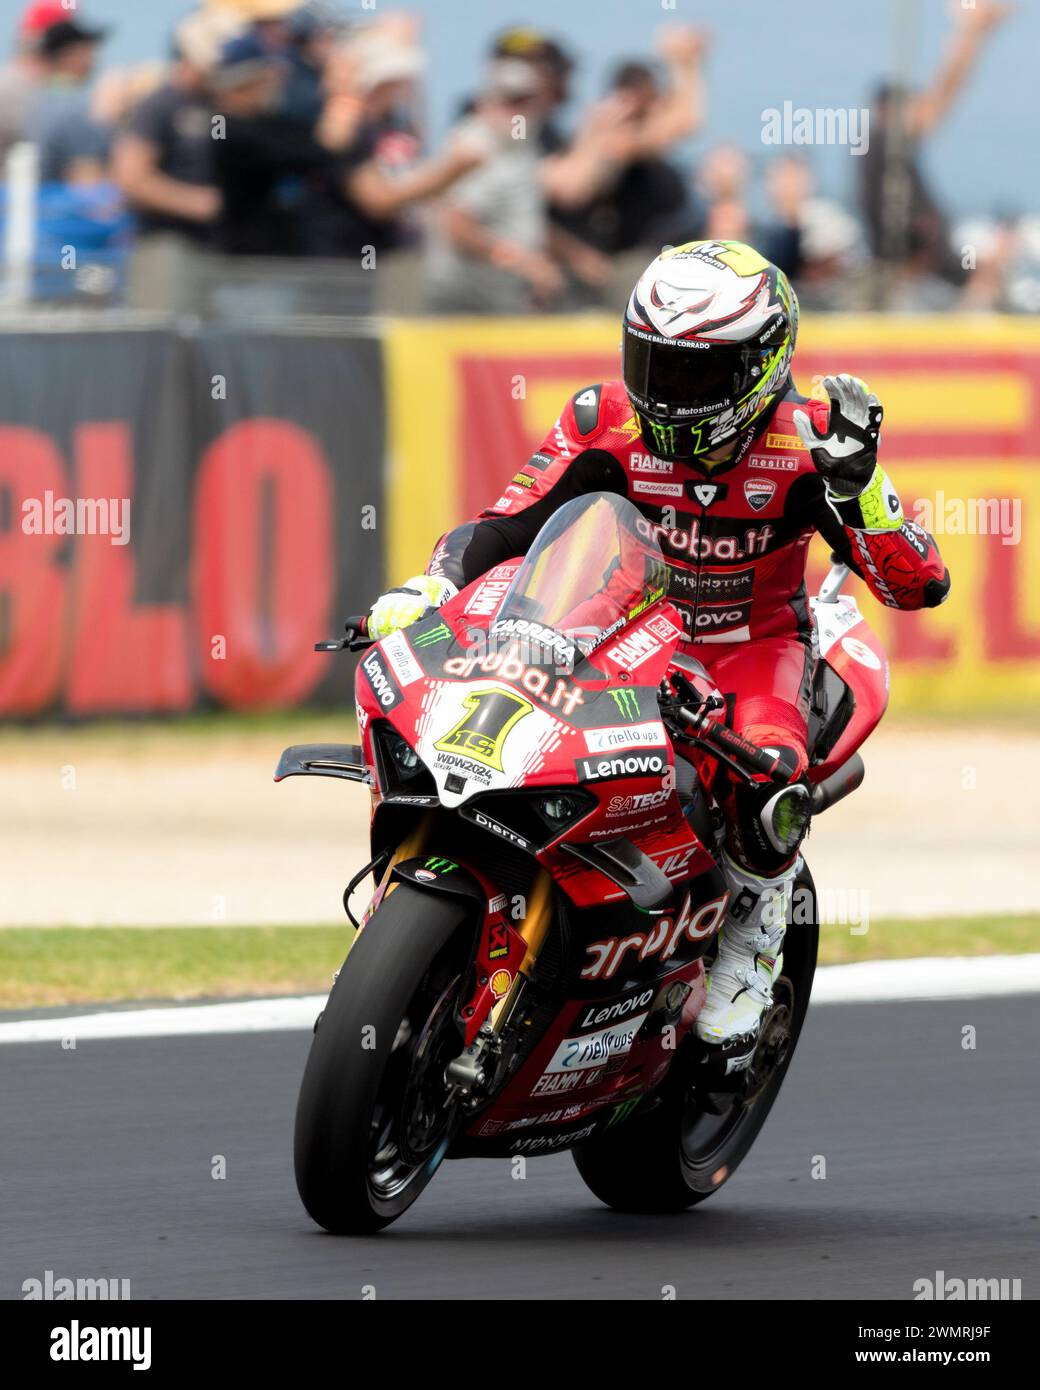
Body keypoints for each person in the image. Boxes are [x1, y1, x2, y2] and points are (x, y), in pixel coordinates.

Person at [365, 240, 950, 1051]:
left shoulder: (815, 440)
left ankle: (752, 942)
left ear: (760, 367)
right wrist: (430, 587)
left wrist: (860, 495)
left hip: (753, 647)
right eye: (653, 364)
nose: (667, 395)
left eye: (696, 375)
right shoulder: (600, 417)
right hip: (615, 622)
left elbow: (916, 585)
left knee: (766, 772)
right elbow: (504, 526)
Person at [859, 0, 1013, 301]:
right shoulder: (877, 140)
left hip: (930, 278)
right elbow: (939, 99)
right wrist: (969, 34)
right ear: (889, 111)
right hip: (913, 288)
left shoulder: (890, 158)